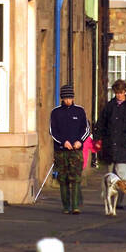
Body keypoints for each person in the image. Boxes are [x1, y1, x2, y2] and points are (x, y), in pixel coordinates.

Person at [94, 79, 126, 215]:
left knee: (121, 178)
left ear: (125, 92)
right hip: (110, 147)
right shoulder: (109, 107)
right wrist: (98, 139)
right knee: (110, 177)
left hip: (124, 147)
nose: (119, 95)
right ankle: (108, 201)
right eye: (117, 93)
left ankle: (118, 203)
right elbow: (101, 124)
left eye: (121, 93)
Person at [49, 83, 90, 214]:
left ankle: (76, 206)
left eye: (70, 98)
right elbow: (52, 131)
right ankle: (66, 206)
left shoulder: (80, 111)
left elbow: (86, 129)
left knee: (76, 178)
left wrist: (80, 141)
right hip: (61, 152)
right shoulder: (55, 112)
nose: (68, 101)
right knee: (63, 179)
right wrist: (63, 142)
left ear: (73, 97)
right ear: (62, 98)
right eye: (66, 98)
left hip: (76, 151)